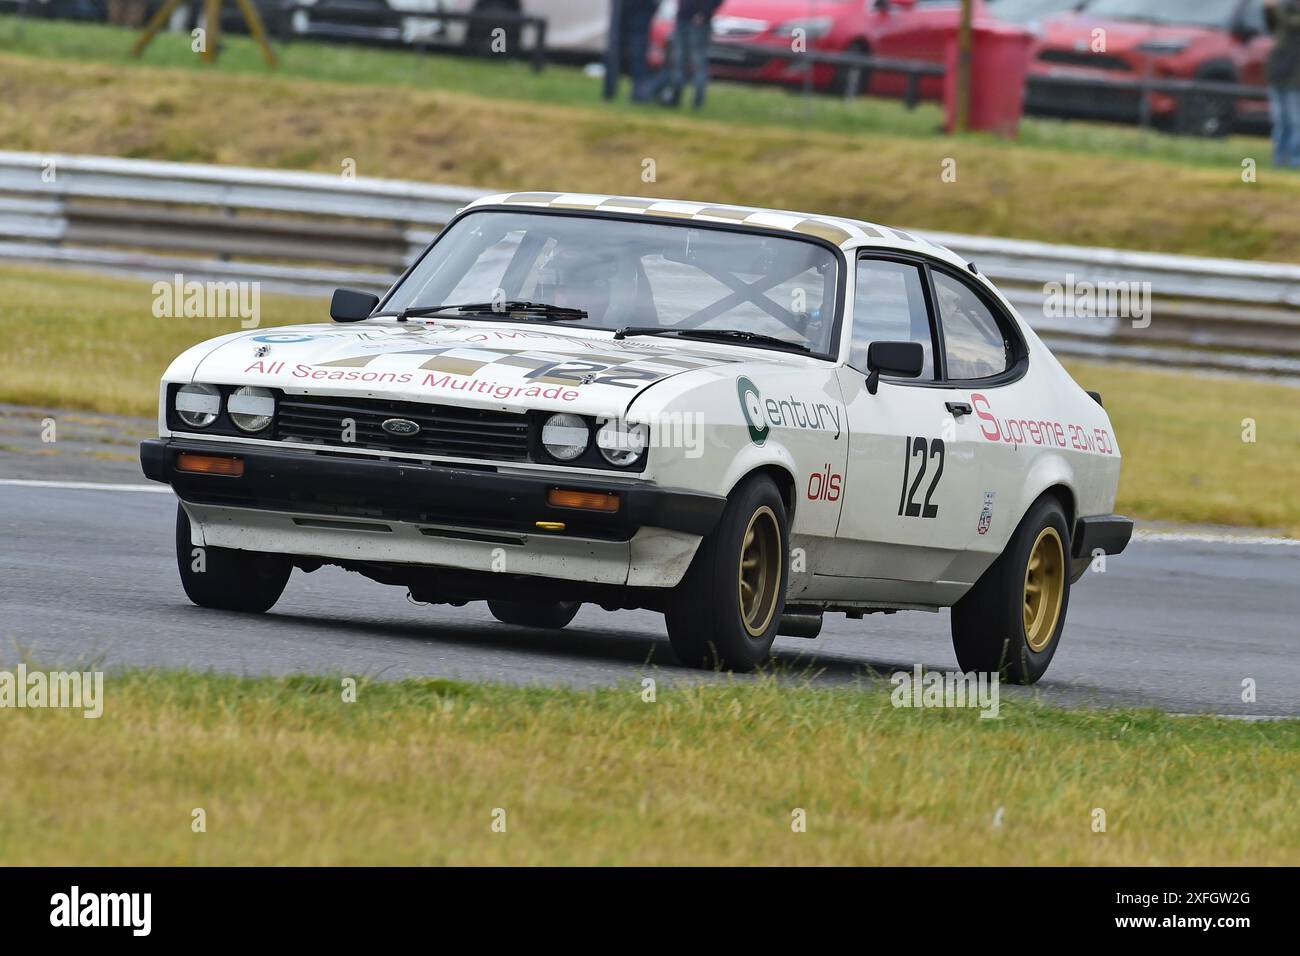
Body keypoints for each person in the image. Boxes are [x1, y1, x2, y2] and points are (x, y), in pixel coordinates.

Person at [657, 0, 725, 108]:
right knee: (679, 59)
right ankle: (675, 97)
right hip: (683, 17)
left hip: (699, 20)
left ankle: (697, 101)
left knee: (698, 61)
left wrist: (704, 13)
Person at [1265, 0, 1300, 168]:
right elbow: (1271, 27)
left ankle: (1295, 160)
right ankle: (1279, 160)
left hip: (1296, 77)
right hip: (1279, 72)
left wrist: (1276, 9)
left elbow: (1293, 23)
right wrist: (1269, 9)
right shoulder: (1285, 8)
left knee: (1296, 121)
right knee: (1280, 120)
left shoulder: (1287, 11)